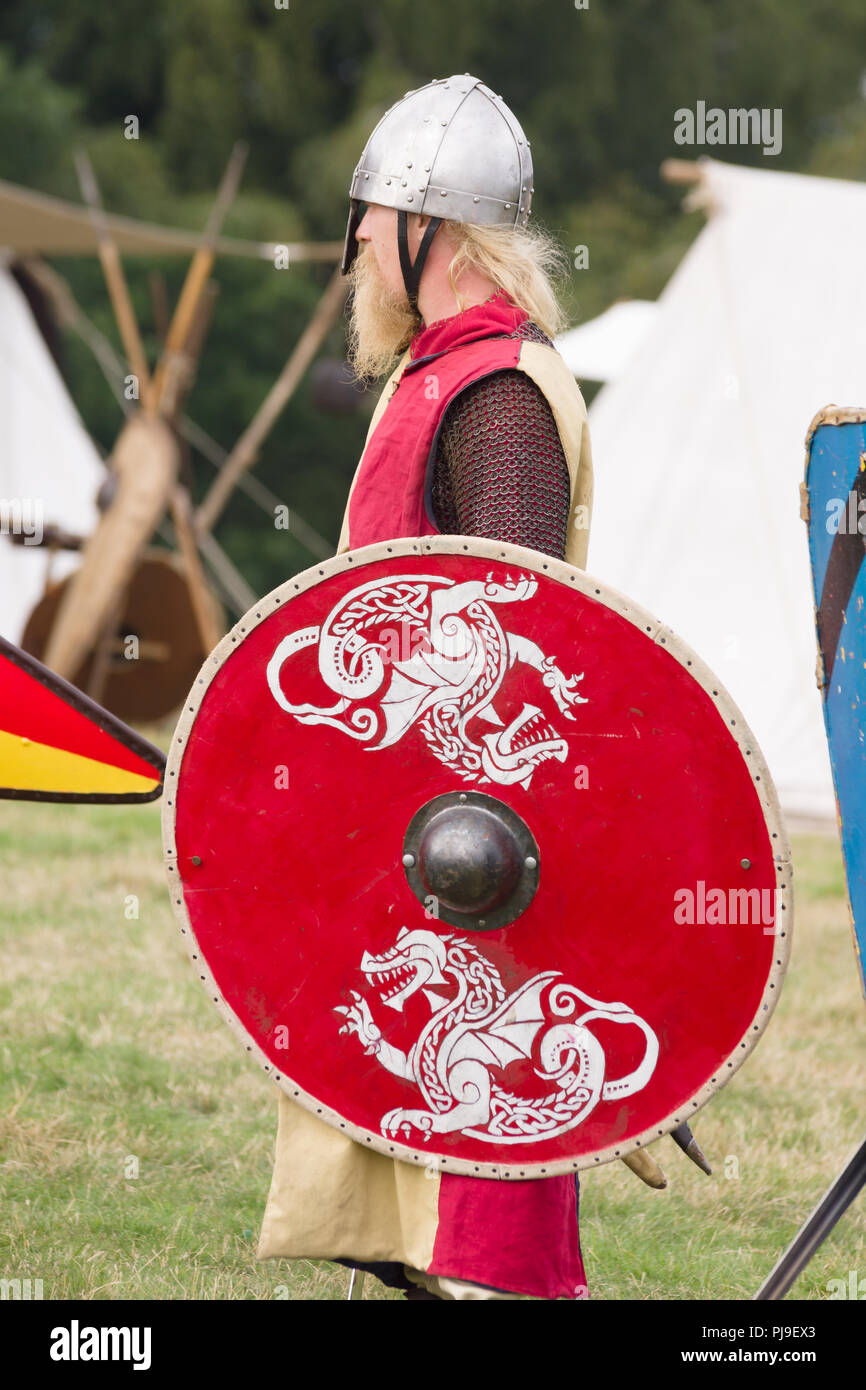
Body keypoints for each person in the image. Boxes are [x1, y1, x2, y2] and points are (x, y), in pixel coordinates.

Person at [257, 74, 594, 1301]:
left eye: (369, 216)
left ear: (429, 234)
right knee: (410, 1171)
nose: (350, 242)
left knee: (482, 1194)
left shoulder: (497, 395)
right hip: (406, 834)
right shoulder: (433, 376)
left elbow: (514, 642)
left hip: (470, 850)